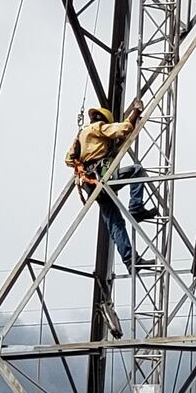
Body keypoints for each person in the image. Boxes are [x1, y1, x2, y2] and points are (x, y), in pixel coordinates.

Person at [65, 97, 144, 269]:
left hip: (92, 186)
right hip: (102, 179)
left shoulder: (80, 137)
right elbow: (122, 129)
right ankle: (136, 208)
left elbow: (68, 159)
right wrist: (136, 112)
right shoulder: (98, 128)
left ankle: (130, 260)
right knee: (136, 170)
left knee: (115, 223)